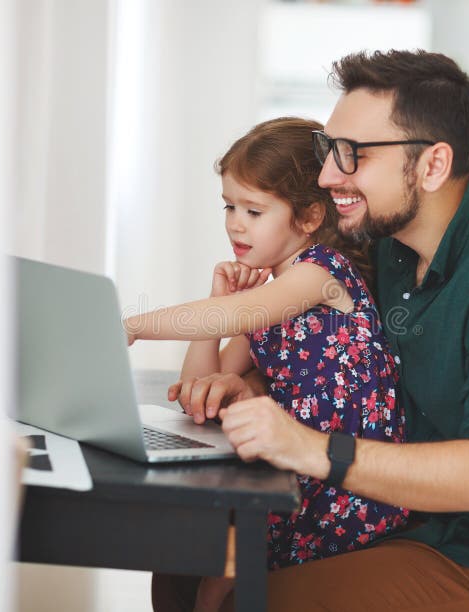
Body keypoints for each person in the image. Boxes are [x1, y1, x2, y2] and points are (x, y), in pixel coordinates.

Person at [155, 50, 469, 612]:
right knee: (184, 563)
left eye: (351, 155)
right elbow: (335, 355)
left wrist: (310, 448)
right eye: (326, 151)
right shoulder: (390, 250)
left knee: (247, 601)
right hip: (412, 526)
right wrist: (254, 385)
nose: (328, 176)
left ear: (431, 165)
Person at [124, 117, 410, 611]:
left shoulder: (319, 274)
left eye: (254, 211)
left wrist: (132, 325)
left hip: (349, 493)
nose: (235, 223)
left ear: (307, 219)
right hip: (294, 481)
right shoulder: (265, 298)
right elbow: (198, 392)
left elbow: (239, 314)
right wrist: (217, 307)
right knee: (199, 573)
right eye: (229, 206)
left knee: (217, 585)